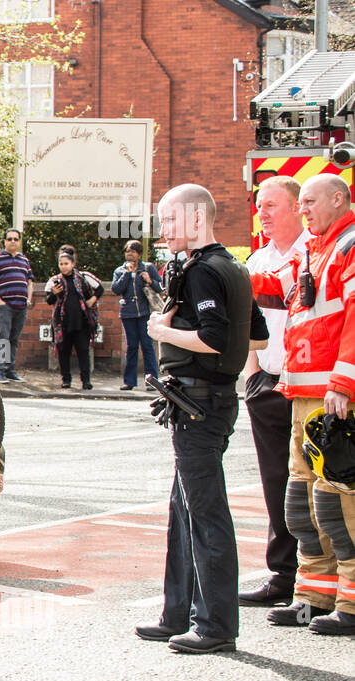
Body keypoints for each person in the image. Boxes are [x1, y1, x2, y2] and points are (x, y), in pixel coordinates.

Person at [137, 183, 269, 654]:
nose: (164, 230)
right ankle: (178, 614)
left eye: (170, 220)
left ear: (195, 218)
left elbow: (214, 338)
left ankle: (215, 626)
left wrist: (162, 329)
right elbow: (255, 336)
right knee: (184, 508)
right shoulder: (232, 265)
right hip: (206, 402)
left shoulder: (200, 271)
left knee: (205, 512)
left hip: (199, 406)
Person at [248, 173, 355, 635]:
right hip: (301, 395)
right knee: (301, 501)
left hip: (332, 399)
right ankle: (313, 595)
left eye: (310, 201)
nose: (304, 209)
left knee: (337, 502)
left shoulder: (348, 246)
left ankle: (350, 603)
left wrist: (343, 385)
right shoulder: (313, 250)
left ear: (338, 198)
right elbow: (269, 287)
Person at [238, 176, 309, 608]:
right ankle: (283, 574)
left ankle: (321, 575)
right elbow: (250, 326)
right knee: (274, 481)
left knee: (317, 484)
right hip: (267, 381)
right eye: (259, 205)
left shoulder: (313, 254)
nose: (262, 213)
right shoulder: (258, 259)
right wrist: (251, 377)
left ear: (298, 207)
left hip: (305, 385)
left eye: (271, 206)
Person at [45, 248, 102, 389]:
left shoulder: (84, 277)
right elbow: (49, 300)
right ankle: (66, 379)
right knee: (64, 351)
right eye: (61, 264)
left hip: (82, 321)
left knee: (83, 350)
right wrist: (54, 293)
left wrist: (92, 299)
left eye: (66, 263)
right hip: (63, 322)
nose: (63, 266)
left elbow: (100, 288)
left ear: (72, 264)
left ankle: (86, 381)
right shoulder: (54, 281)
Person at [110, 240, 163, 390]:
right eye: (127, 251)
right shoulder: (120, 271)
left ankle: (152, 381)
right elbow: (116, 289)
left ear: (139, 254)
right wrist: (127, 274)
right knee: (132, 346)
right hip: (127, 313)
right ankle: (129, 381)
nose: (129, 254)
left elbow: (160, 287)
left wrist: (149, 280)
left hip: (144, 313)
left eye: (133, 251)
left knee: (147, 346)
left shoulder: (148, 268)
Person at [0, 228, 33, 383]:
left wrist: (28, 299)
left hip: (21, 306)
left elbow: (30, 282)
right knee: (2, 338)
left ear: (19, 241)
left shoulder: (24, 260)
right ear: (4, 241)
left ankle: (10, 370)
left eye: (16, 239)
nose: (13, 242)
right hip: (5, 306)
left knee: (13, 339)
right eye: (9, 239)